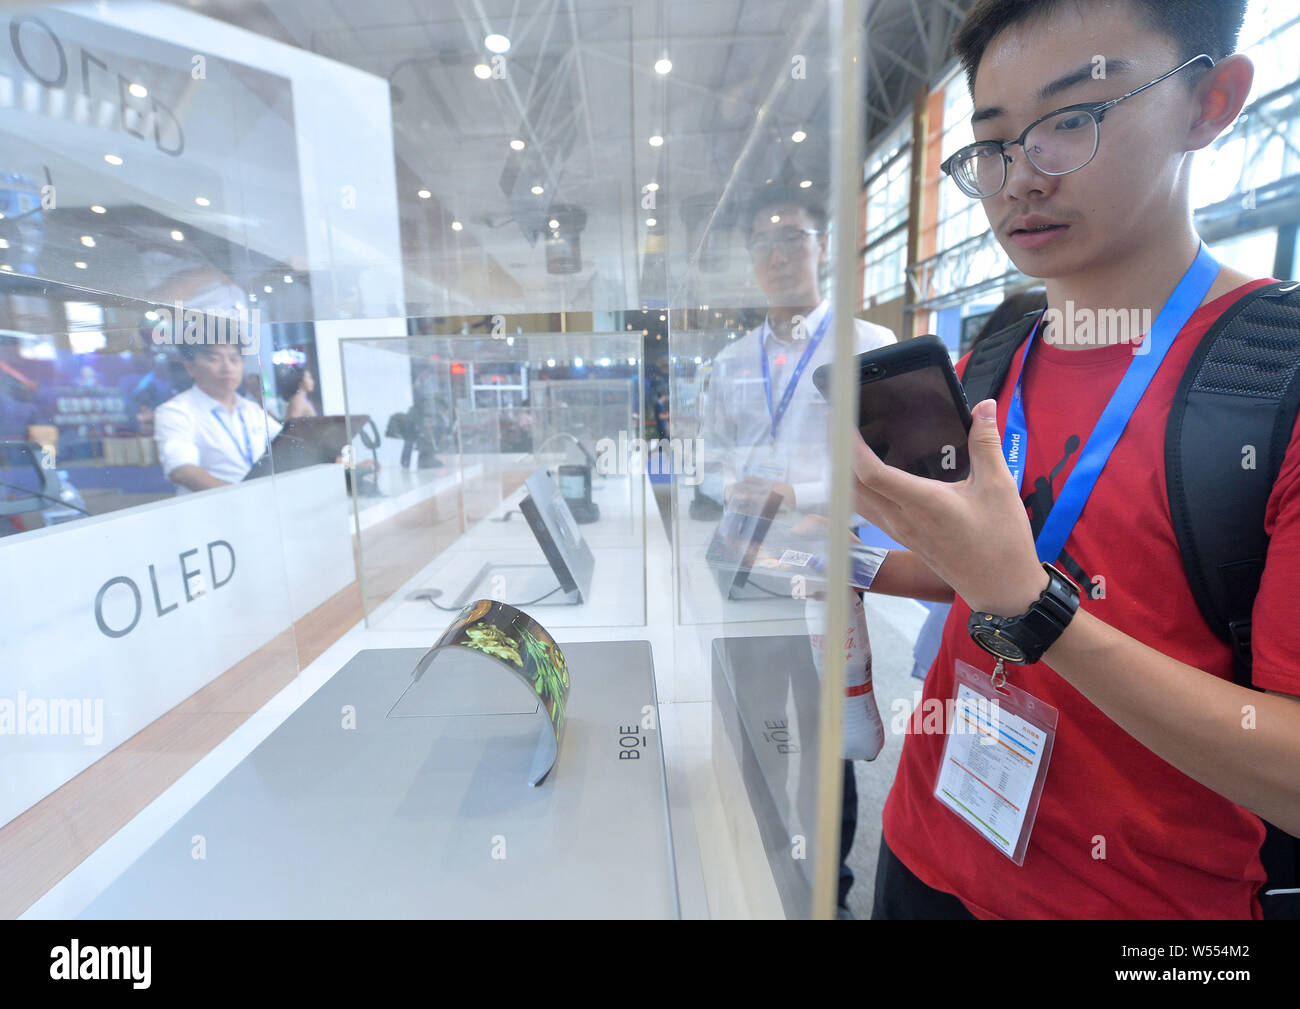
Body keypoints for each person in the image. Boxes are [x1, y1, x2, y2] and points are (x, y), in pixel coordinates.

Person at [859, 0, 1300, 919]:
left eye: (1071, 120)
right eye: (992, 143)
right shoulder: (996, 354)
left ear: (1212, 101)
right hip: (925, 847)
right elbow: (991, 573)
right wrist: (856, 560)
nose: (1020, 179)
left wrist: (1034, 611)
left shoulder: (1274, 381)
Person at [699, 184, 896, 917]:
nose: (778, 254)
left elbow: (892, 462)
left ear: (824, 248)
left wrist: (800, 492)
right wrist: (734, 487)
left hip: (822, 577)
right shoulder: (730, 359)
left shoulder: (867, 345)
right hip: (745, 570)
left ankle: (826, 890)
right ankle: (757, 862)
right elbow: (714, 453)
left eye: (793, 238)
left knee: (824, 742)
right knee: (752, 731)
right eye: (762, 242)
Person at [154, 343, 283, 493]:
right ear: (190, 367)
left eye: (234, 360)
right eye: (214, 359)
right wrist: (241, 498)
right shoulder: (176, 411)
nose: (227, 368)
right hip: (210, 510)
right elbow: (182, 470)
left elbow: (286, 444)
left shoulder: (251, 410)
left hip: (260, 503)